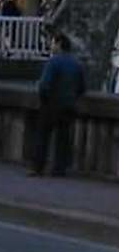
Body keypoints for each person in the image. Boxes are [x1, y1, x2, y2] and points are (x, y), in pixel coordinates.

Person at [31, 34, 87, 177]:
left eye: (53, 43)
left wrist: (44, 99)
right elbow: (82, 87)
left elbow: (44, 85)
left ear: (59, 44)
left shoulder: (53, 62)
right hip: (69, 105)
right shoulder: (77, 63)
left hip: (51, 104)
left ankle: (38, 167)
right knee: (63, 138)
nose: (51, 46)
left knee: (43, 136)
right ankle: (59, 168)